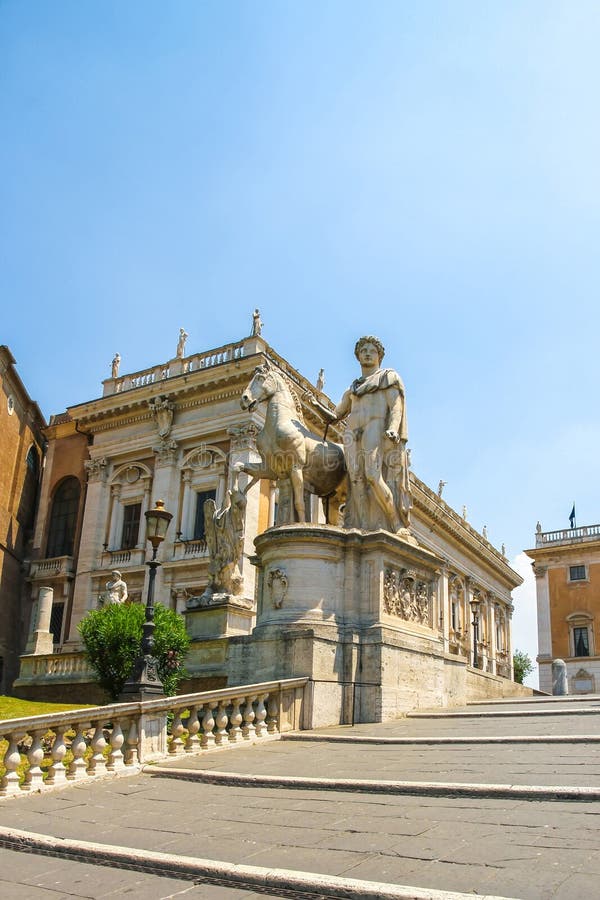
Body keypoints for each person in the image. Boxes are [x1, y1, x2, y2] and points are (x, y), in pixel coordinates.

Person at [332, 336, 412, 535]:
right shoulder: (353, 388)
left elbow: (396, 407)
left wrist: (393, 428)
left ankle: (395, 523)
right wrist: (314, 406)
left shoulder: (387, 377)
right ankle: (358, 527)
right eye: (363, 350)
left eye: (372, 350)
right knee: (355, 480)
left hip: (375, 428)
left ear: (379, 356)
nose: (367, 353)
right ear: (358, 356)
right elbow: (337, 413)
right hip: (352, 433)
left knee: (372, 476)